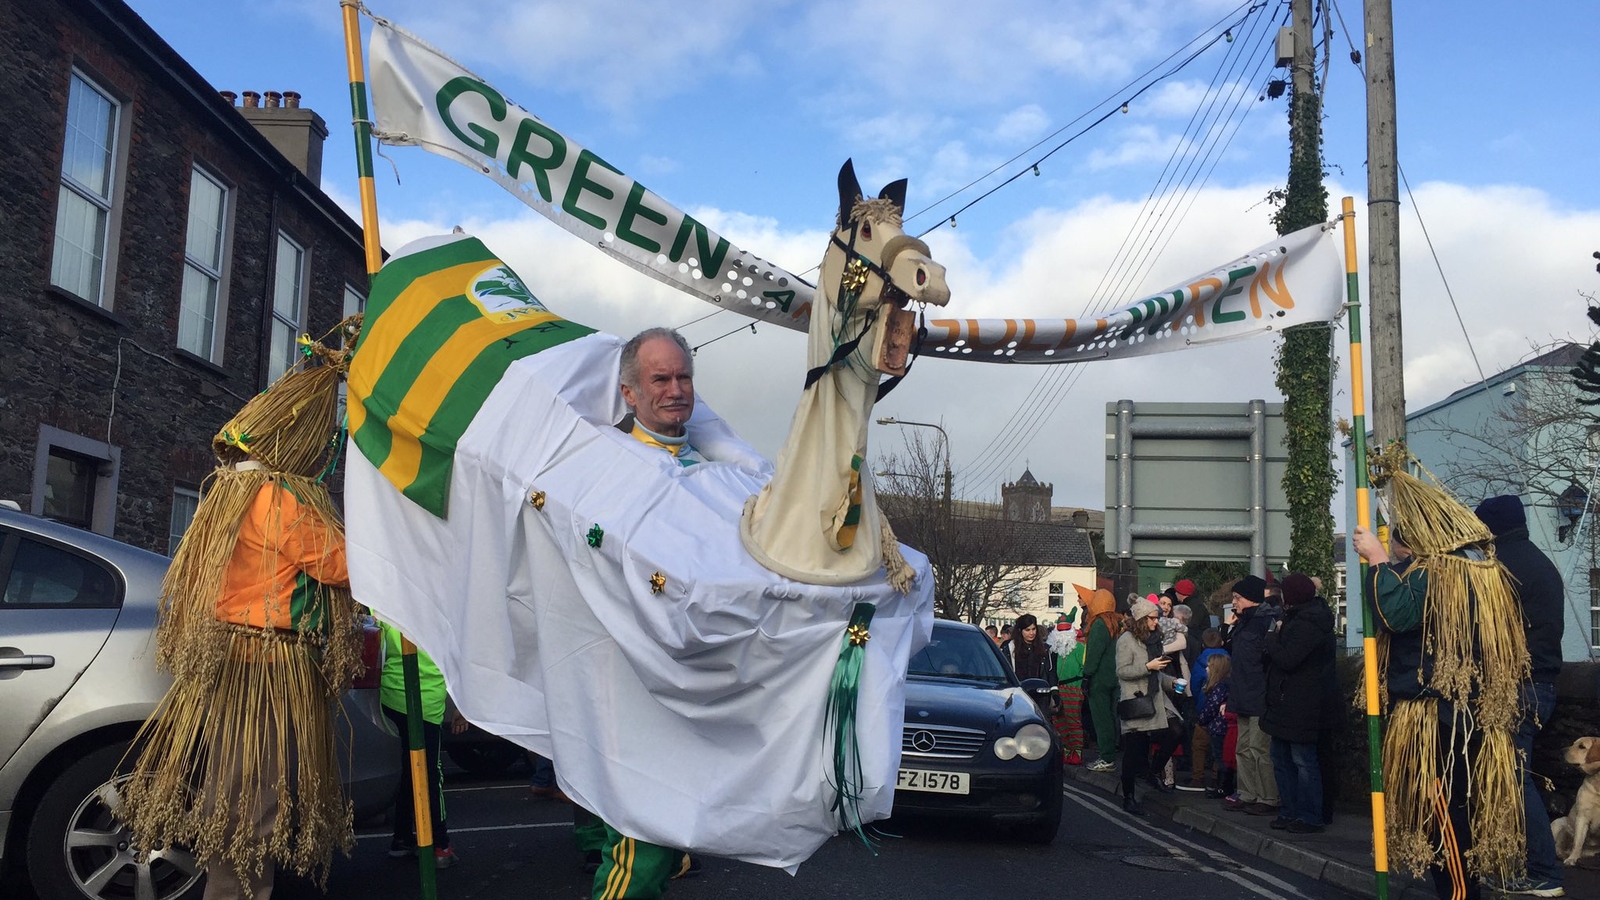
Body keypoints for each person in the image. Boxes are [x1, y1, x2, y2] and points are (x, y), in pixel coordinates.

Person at [116, 354, 362, 900]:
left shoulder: (225, 494)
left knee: (232, 782)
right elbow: (341, 566)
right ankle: (236, 890)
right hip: (272, 665)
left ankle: (226, 883)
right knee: (256, 795)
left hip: (233, 657)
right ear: (297, 441)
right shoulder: (279, 499)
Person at [1353, 454, 1529, 900]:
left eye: (1395, 541)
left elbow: (1397, 615)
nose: (1392, 548)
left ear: (1414, 542)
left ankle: (1458, 895)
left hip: (1438, 717)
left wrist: (1376, 562)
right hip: (1467, 711)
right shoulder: (1483, 573)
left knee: (1443, 813)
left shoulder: (1440, 574)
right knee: (1459, 811)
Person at [573, 328, 705, 898]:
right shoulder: (606, 466)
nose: (675, 389)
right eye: (660, 379)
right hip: (630, 685)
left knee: (668, 843)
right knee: (642, 849)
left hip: (697, 684)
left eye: (684, 377)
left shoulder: (720, 468)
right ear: (630, 392)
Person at [1476, 495, 1566, 898]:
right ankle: (1518, 866)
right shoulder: (1539, 562)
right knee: (1513, 776)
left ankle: (1543, 872)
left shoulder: (1501, 568)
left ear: (1490, 528)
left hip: (1516, 684)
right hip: (1540, 683)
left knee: (1513, 780)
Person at [380, 621, 469, 867]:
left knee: (408, 772)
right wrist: (462, 706)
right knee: (431, 775)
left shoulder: (385, 599)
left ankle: (401, 839)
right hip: (426, 703)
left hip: (389, 697)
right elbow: (461, 656)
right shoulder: (437, 604)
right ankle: (440, 845)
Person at [1261, 573, 1337, 834]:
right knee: (1281, 758)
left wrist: (1272, 639)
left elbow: (1288, 659)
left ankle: (1309, 815)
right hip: (1285, 701)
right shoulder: (1297, 618)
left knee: (1303, 760)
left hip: (1303, 702)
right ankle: (1290, 811)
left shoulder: (1309, 623)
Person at [1222, 574, 1280, 817]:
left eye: (1238, 598)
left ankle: (1267, 797)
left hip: (1258, 695)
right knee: (1242, 748)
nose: (1234, 602)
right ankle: (1247, 793)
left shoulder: (1264, 622)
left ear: (1252, 599)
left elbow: (1267, 659)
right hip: (1242, 693)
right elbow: (1231, 650)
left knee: (1259, 749)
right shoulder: (1243, 622)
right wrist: (1227, 627)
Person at [1116, 598, 1180, 816]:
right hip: (1137, 699)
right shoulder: (1126, 640)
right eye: (1153, 618)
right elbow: (1122, 671)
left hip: (1156, 696)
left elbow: (1156, 672)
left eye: (1157, 618)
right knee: (1134, 750)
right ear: (1142, 619)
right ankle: (1129, 797)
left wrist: (1171, 682)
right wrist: (1147, 666)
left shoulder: (1154, 640)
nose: (1156, 621)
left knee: (1177, 731)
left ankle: (1152, 773)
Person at [1078, 585, 1123, 773]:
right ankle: (1113, 752)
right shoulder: (1119, 622)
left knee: (1101, 719)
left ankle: (1106, 757)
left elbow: (1093, 655)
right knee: (1114, 718)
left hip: (1099, 679)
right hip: (1117, 676)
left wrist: (1086, 676)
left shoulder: (1099, 624)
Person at [1049, 610, 1088, 765]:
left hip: (1074, 687)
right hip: (1059, 688)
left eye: (1066, 630)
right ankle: (1067, 749)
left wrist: (1082, 687)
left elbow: (1085, 667)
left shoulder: (1079, 647)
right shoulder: (1053, 649)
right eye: (1061, 630)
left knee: (1073, 720)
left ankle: (1076, 751)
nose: (1063, 633)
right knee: (1058, 720)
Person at [1195, 653, 1235, 798]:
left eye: (1209, 666)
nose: (1206, 669)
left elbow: (1211, 707)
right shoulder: (1225, 685)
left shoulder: (1219, 687)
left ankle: (1223, 787)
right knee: (1221, 758)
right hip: (1220, 726)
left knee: (1221, 758)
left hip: (1218, 727)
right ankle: (1223, 785)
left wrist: (1201, 720)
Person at [1004, 614, 1059, 715]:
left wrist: (1054, 692)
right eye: (1027, 630)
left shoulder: (1045, 649)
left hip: (1040, 696)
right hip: (1019, 695)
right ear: (1020, 631)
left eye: (1034, 629)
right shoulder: (1010, 648)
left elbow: (1050, 671)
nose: (1031, 633)